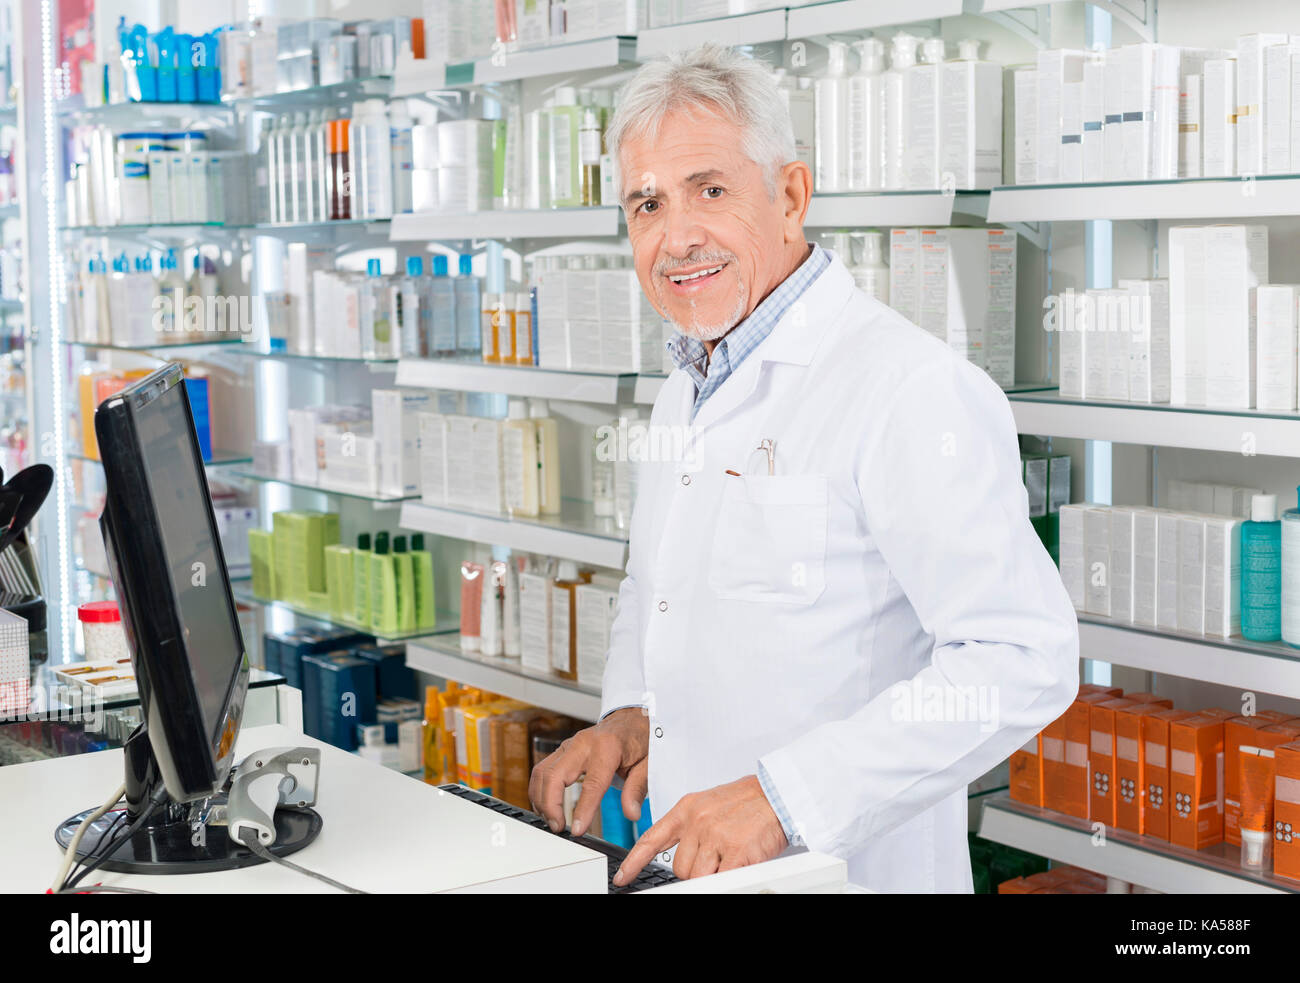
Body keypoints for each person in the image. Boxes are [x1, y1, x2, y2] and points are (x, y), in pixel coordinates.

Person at [528, 43, 1079, 892]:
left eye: (710, 190)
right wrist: (631, 713)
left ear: (790, 196)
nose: (677, 236)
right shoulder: (685, 386)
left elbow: (1020, 658)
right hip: (687, 870)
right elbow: (657, 587)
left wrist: (784, 799)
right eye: (648, 203)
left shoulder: (908, 388)